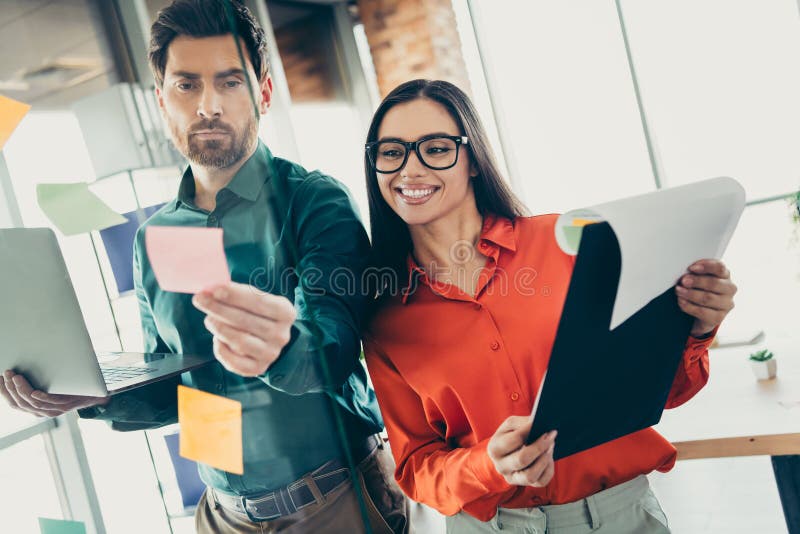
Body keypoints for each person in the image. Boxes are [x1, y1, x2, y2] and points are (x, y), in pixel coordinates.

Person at [0, 1, 409, 532]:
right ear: (161, 100)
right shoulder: (155, 237)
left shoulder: (314, 202)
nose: (207, 105)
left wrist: (278, 346)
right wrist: (91, 396)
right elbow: (180, 387)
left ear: (263, 93)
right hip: (222, 516)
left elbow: (333, 351)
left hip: (333, 503)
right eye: (187, 85)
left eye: (230, 82)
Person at [361, 79, 737, 534]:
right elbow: (416, 467)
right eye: (391, 152)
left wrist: (696, 329)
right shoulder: (384, 318)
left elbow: (666, 391)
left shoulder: (569, 246)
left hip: (618, 519)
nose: (410, 170)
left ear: (474, 159)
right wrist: (488, 465)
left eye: (436, 148)